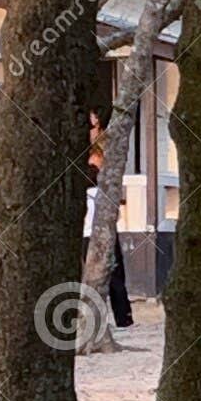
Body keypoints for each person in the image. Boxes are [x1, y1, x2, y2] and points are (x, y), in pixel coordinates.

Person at [83, 108, 134, 328]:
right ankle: (121, 318)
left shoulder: (102, 150)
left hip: (94, 231)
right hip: (96, 231)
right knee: (111, 276)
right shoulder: (95, 187)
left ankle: (115, 318)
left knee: (106, 276)